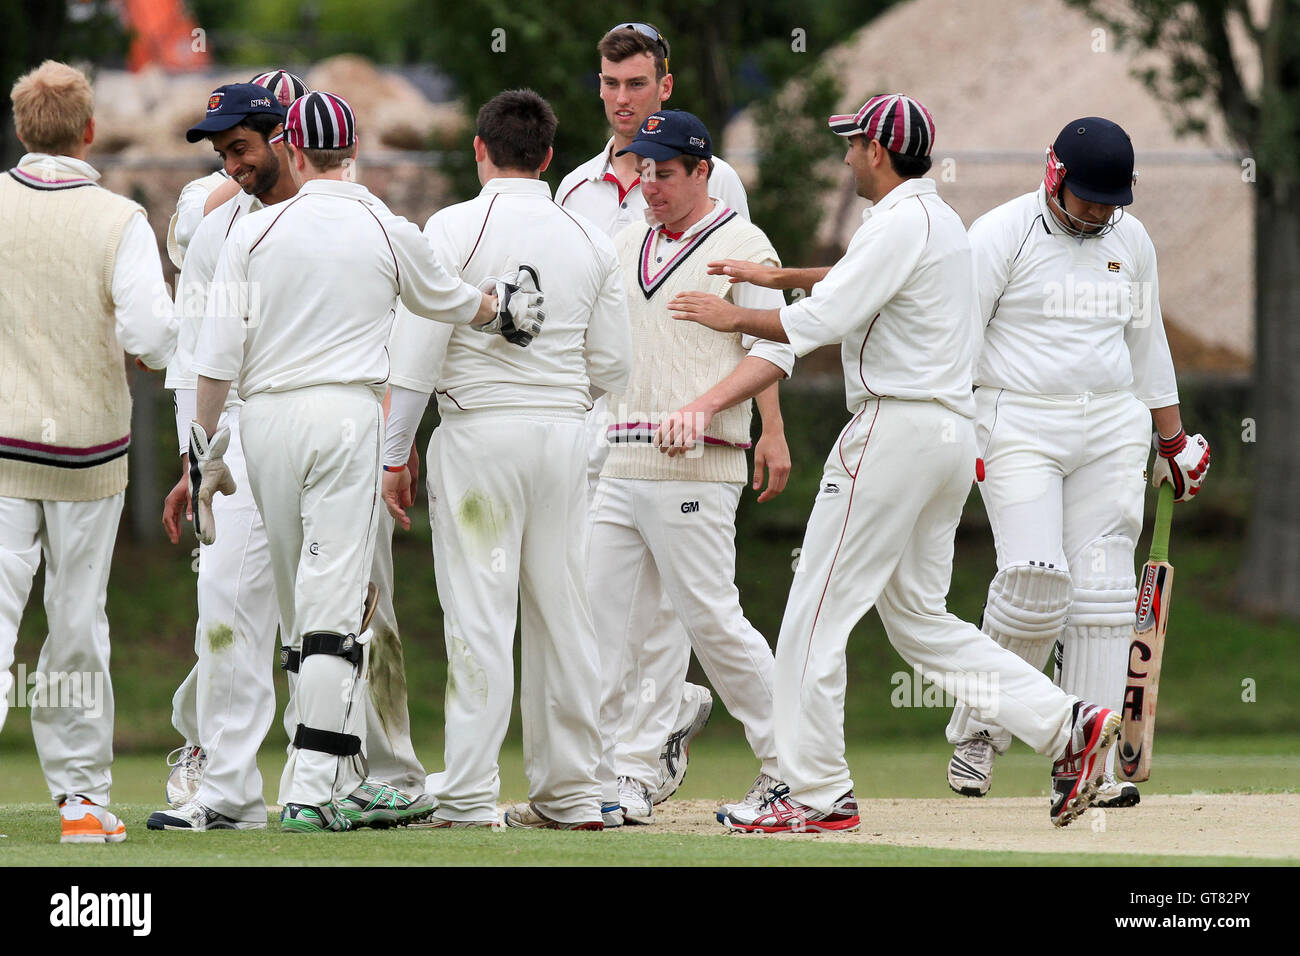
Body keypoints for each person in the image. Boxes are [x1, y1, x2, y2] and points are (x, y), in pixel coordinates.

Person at [670, 94, 1122, 831]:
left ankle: (813, 793)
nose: (846, 156)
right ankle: (1066, 724)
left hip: (894, 429)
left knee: (814, 615)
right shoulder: (937, 221)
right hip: (949, 438)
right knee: (919, 620)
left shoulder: (898, 222)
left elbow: (820, 322)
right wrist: (781, 282)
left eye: (852, 144)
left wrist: (734, 315)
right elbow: (856, 286)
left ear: (877, 151)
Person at [190, 90, 500, 833]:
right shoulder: (384, 225)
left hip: (263, 421)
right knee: (332, 601)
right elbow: (452, 300)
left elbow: (215, 354)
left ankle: (316, 769)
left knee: (305, 610)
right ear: (350, 152)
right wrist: (503, 308)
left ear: (293, 151)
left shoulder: (253, 234)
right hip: (347, 415)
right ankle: (312, 781)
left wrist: (202, 455)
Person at [556, 20, 790, 816]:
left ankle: (794, 762)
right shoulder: (623, 243)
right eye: (644, 169)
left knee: (712, 623)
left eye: (666, 172)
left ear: (704, 173)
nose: (650, 183)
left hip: (701, 464)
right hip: (617, 461)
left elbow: (780, 350)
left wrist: (709, 407)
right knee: (602, 622)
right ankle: (624, 773)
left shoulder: (742, 240)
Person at [941, 118, 1210, 806]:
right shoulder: (999, 234)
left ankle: (1083, 765)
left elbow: (1148, 347)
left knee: (1103, 600)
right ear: (1053, 174)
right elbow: (956, 345)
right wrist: (952, 439)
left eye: (1110, 201)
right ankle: (980, 727)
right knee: (1033, 582)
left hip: (1113, 427)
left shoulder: (1132, 240)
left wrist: (1174, 442)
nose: (1098, 212)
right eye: (1087, 198)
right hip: (1017, 422)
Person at [382, 88, 630, 830]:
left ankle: (467, 797)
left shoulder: (453, 226)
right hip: (564, 435)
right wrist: (559, 399)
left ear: (480, 151)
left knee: (479, 616)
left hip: (480, 435)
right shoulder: (590, 238)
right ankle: (574, 794)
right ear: (550, 157)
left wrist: (395, 452)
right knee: (565, 614)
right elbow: (614, 366)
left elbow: (416, 351)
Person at [0, 60, 177, 843]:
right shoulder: (119, 219)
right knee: (74, 626)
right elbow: (150, 337)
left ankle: (79, 801)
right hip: (87, 450)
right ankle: (79, 804)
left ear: (19, 129)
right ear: (90, 131)